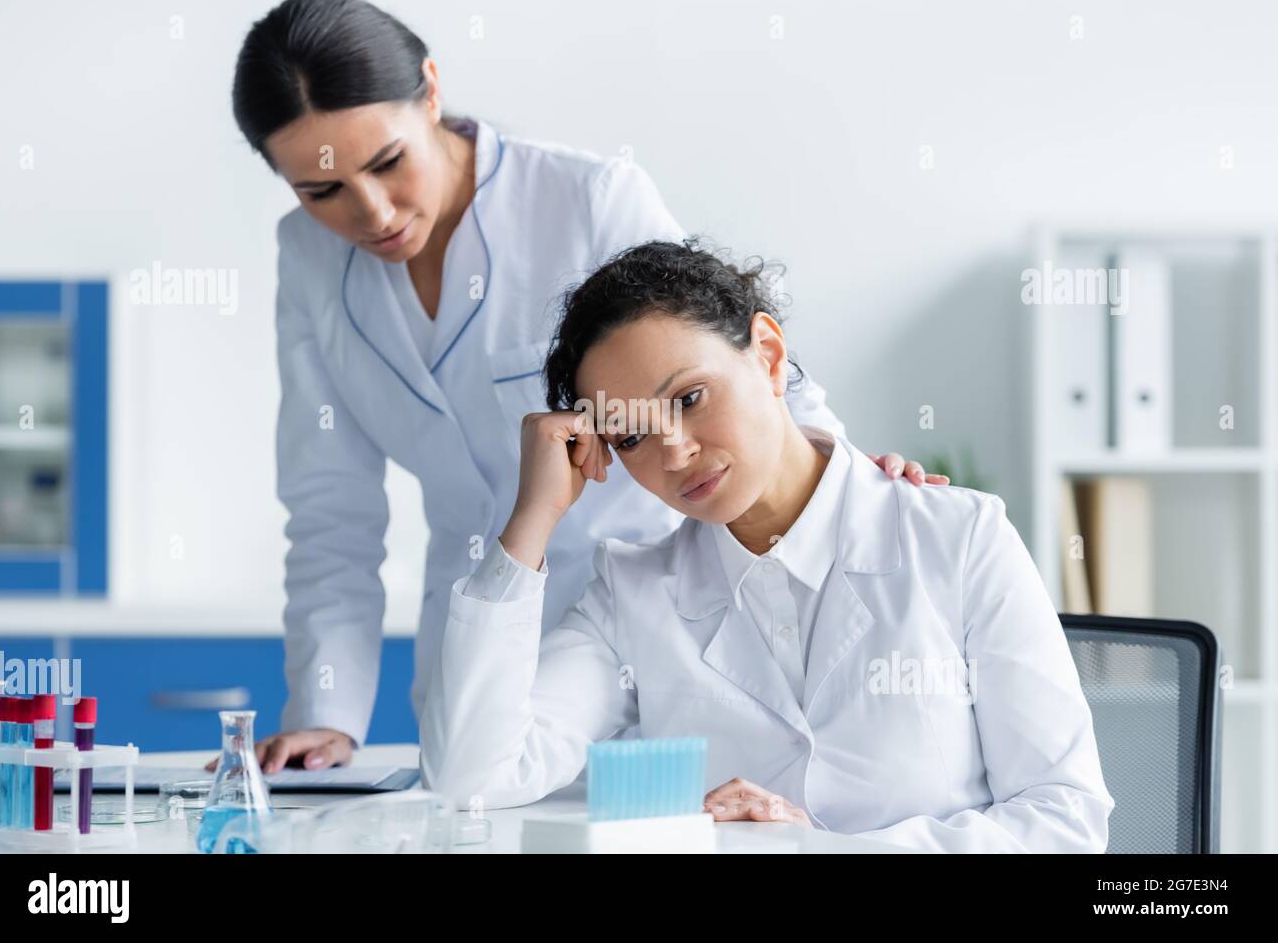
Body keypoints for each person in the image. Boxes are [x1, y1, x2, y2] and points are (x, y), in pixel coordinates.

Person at [218, 0, 944, 774]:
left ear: (430, 90)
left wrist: (854, 479)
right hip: (479, 656)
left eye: (388, 161)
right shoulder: (308, 260)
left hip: (650, 640)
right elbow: (331, 508)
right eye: (320, 190)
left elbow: (723, 353)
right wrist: (328, 715)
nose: (373, 212)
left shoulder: (586, 197)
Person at [419, 240, 1113, 852]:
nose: (677, 450)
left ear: (770, 356)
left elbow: (1065, 818)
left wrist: (814, 847)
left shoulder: (959, 540)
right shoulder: (634, 594)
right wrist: (532, 519)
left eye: (689, 398)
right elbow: (474, 776)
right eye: (630, 435)